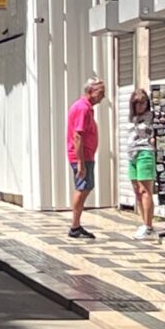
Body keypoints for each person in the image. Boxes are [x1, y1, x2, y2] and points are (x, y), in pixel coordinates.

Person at [66, 77, 105, 239]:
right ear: (90, 91)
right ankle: (74, 226)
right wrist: (81, 162)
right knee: (82, 188)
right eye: (100, 93)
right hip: (82, 156)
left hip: (86, 155)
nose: (103, 96)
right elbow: (78, 136)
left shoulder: (86, 108)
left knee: (86, 187)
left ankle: (76, 225)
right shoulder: (83, 108)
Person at [127, 88, 158, 239]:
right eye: (137, 102)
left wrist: (154, 140)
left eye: (143, 102)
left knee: (145, 190)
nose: (141, 105)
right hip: (132, 154)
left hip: (145, 153)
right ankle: (144, 222)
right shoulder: (132, 118)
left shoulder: (151, 117)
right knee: (137, 191)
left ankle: (149, 225)